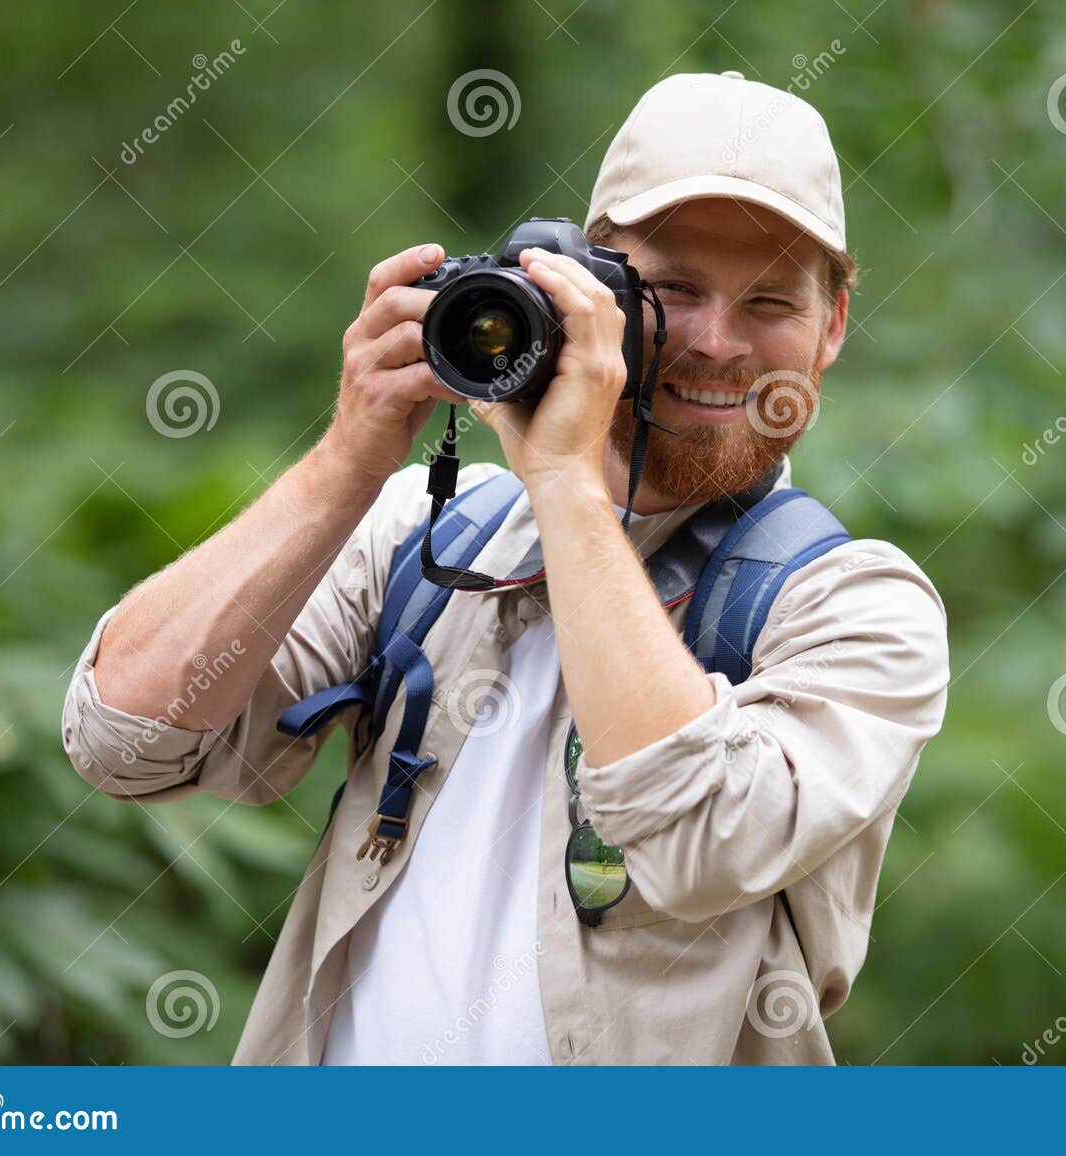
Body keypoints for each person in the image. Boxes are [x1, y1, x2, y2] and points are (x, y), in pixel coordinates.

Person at [61, 70, 949, 1064]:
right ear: (592, 289)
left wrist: (564, 475)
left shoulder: (856, 607)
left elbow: (700, 839)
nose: (714, 340)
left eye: (770, 301)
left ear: (831, 326)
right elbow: (123, 739)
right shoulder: (426, 533)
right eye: (673, 290)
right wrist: (348, 458)